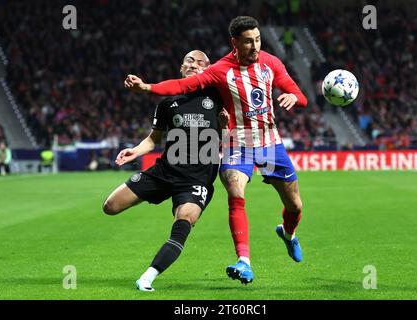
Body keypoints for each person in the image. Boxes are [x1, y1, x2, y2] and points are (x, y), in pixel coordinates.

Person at [124, 16, 308, 285]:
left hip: (270, 143)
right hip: (237, 142)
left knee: (294, 205)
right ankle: (244, 261)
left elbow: (299, 95)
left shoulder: (271, 63)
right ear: (235, 43)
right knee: (234, 186)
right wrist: (147, 87)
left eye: (257, 39)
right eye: (248, 41)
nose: (255, 46)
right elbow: (181, 86)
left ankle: (288, 234)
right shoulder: (221, 69)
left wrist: (294, 97)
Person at [104, 50, 227, 292]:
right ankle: (151, 194)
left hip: (197, 179)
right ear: (182, 68)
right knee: (110, 206)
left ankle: (148, 276)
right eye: (189, 61)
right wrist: (136, 151)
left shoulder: (218, 97)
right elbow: (153, 139)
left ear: (209, 69)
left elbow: (230, 133)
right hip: (164, 171)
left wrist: (225, 127)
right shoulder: (167, 103)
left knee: (183, 221)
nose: (194, 65)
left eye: (200, 63)